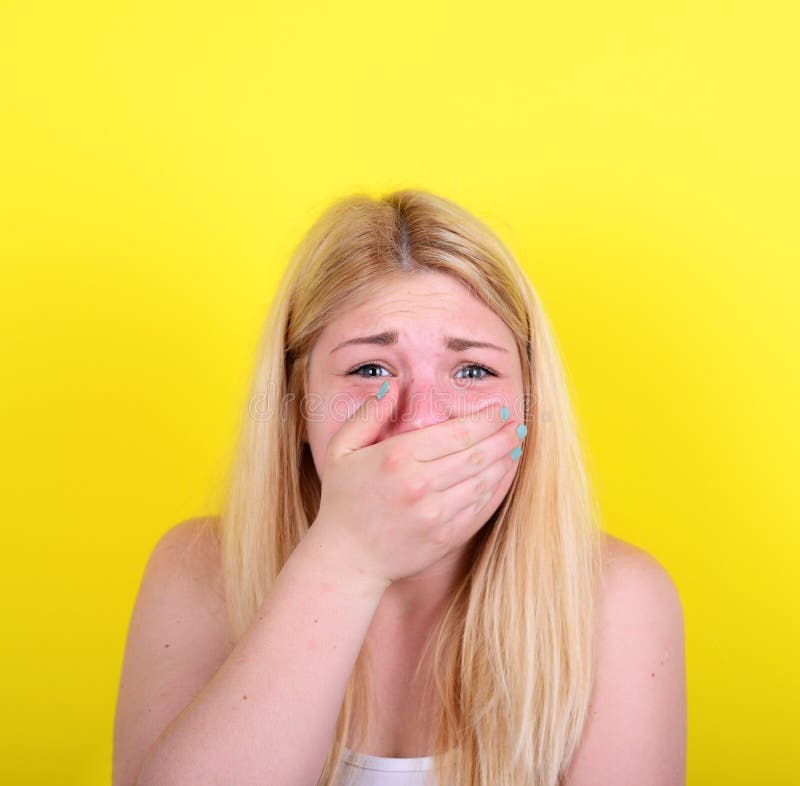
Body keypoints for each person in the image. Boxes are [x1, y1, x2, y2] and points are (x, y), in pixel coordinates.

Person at [113, 189, 686, 786]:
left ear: (530, 407)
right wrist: (345, 558)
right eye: (370, 369)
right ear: (294, 407)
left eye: (473, 370)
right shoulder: (198, 572)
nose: (419, 419)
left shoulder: (617, 601)